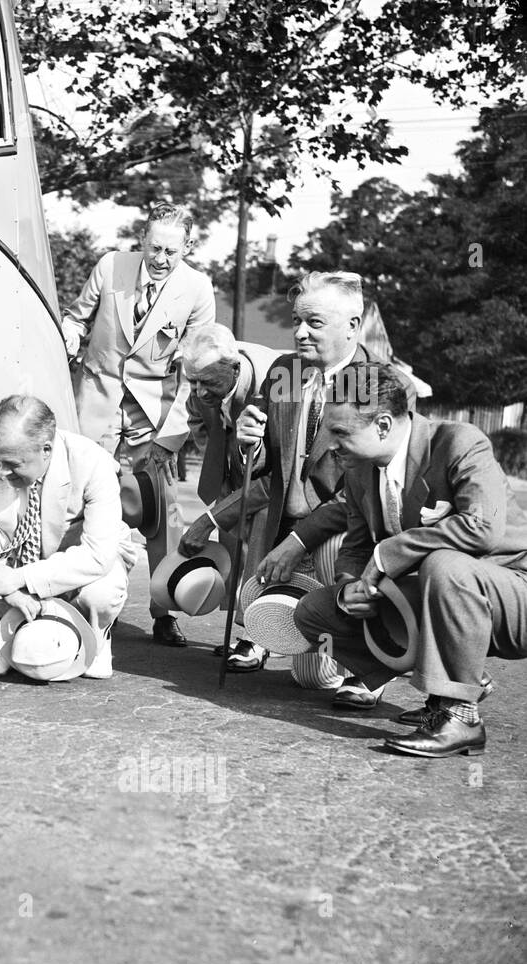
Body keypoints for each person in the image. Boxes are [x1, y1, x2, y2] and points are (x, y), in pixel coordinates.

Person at [293, 363, 527, 757]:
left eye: (340, 433)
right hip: (446, 599)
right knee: (315, 611)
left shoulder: (460, 442)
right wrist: (352, 586)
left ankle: (461, 715)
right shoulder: (357, 472)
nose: (328, 445)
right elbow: (355, 547)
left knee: (444, 565)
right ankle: (456, 684)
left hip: (513, 593)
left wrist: (391, 551)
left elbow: (482, 528)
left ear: (383, 425)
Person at [212, 271, 378, 702]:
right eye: (297, 321)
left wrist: (300, 541)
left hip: (344, 534)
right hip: (282, 521)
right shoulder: (286, 371)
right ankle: (263, 636)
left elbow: (360, 493)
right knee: (312, 679)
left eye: (315, 323)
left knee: (332, 546)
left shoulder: (377, 385)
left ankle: (369, 665)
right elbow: (262, 462)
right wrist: (246, 441)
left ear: (353, 327)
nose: (300, 333)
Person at [62, 202, 216, 648]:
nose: (161, 258)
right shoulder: (110, 266)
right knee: (79, 500)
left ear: (188, 246)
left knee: (162, 513)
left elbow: (198, 366)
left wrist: (171, 438)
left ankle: (163, 610)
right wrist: (71, 335)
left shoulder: (198, 289)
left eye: (171, 250)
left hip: (154, 415)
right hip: (96, 401)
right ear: (142, 241)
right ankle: (68, 599)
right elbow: (76, 317)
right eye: (154, 247)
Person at [0, 394, 131, 679]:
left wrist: (19, 578)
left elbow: (97, 556)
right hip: (14, 551)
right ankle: (10, 633)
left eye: (13, 464)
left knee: (100, 593)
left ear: (46, 449)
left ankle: (97, 637)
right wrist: (8, 591)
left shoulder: (93, 462)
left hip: (75, 555)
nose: (2, 471)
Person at [175, 324, 281, 668]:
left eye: (208, 382)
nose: (199, 391)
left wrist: (212, 517)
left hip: (277, 477)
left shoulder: (277, 384)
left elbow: (273, 480)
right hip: (237, 464)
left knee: (261, 531)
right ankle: (248, 631)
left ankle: (258, 637)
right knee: (234, 539)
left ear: (234, 369)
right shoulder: (202, 378)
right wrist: (223, 466)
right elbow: (197, 419)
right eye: (193, 382)